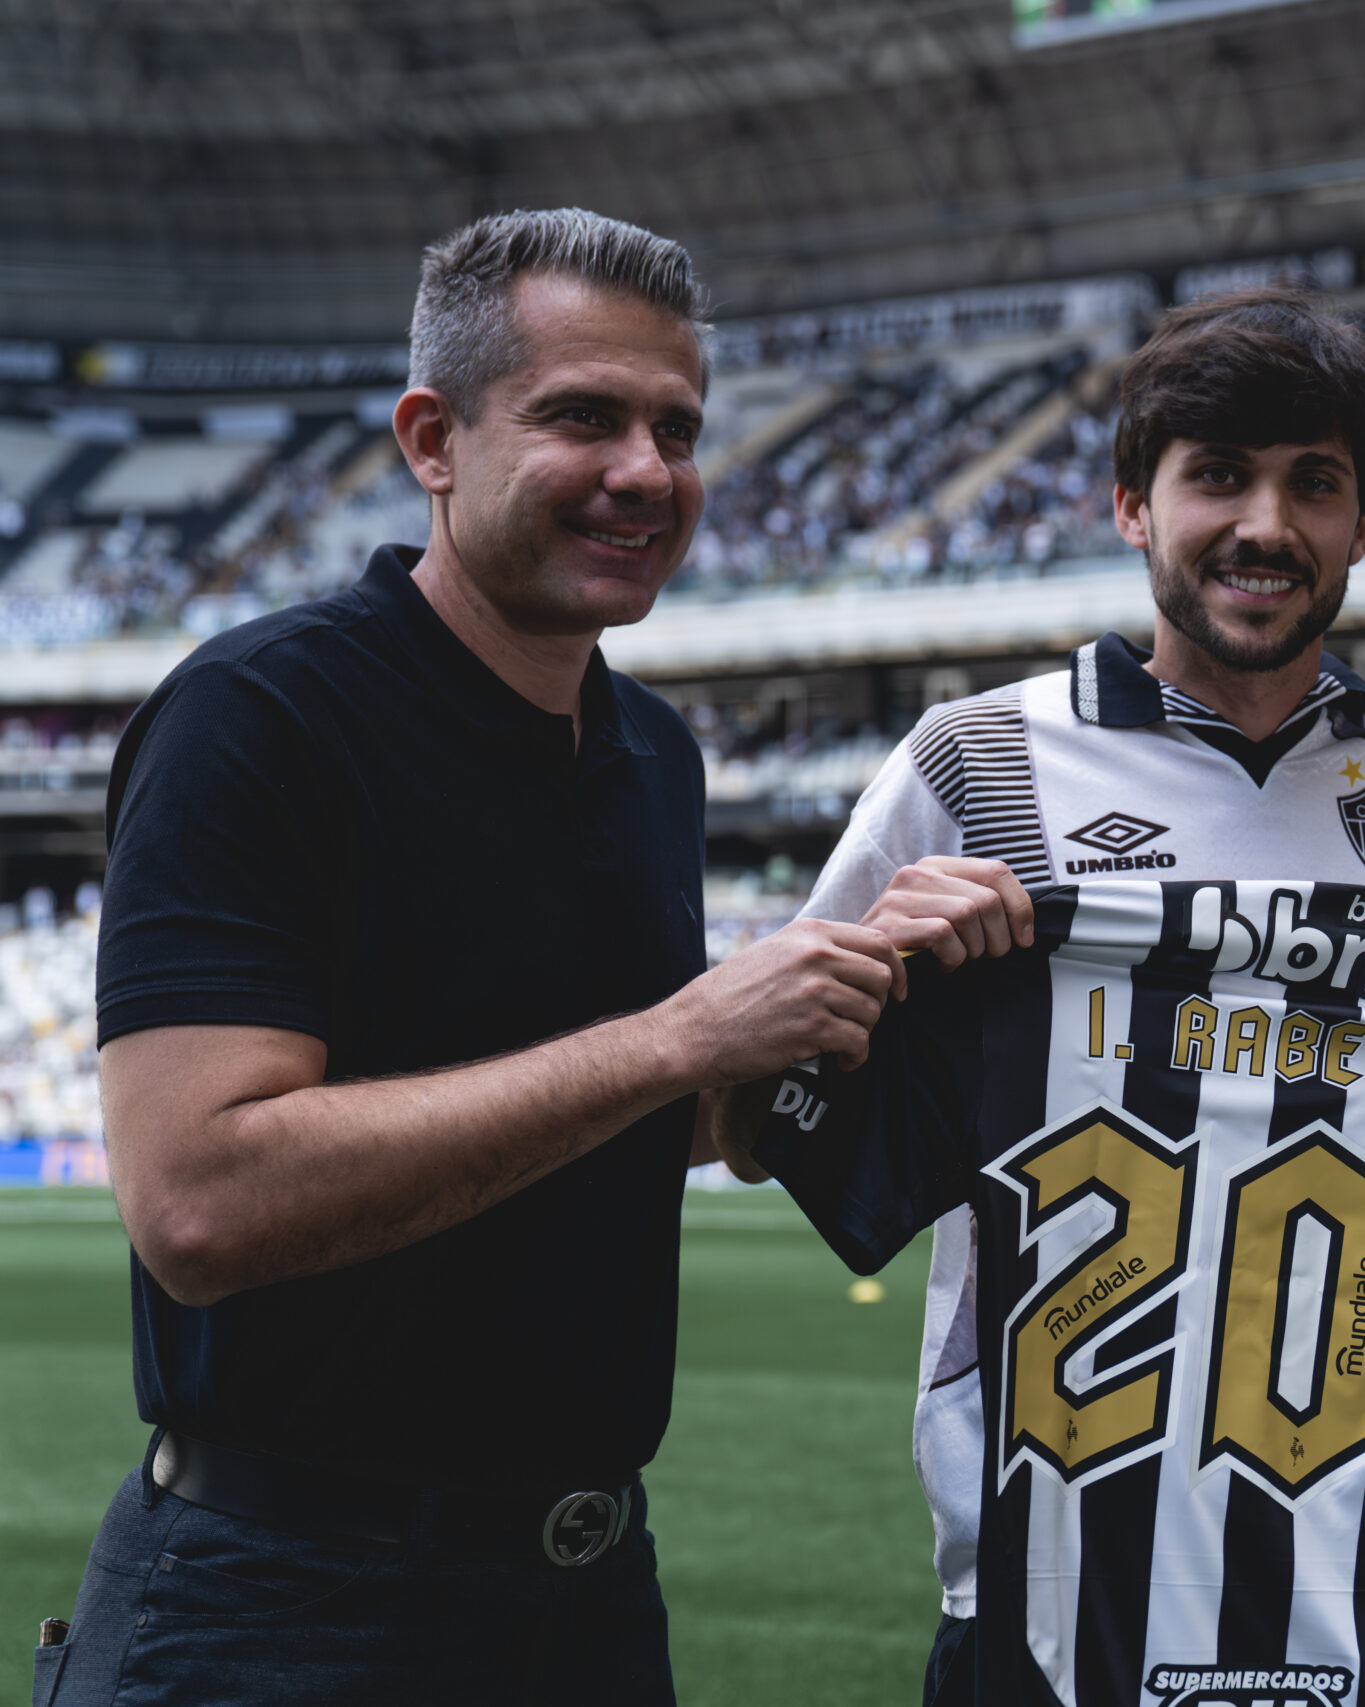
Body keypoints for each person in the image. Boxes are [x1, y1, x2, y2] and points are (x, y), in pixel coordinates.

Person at [44, 210, 905, 1707]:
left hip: (589, 1589)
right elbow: (196, 1195)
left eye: (678, 425)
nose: (649, 469)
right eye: (584, 416)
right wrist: (678, 1039)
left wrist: (828, 1026)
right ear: (432, 440)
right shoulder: (258, 717)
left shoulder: (655, 749)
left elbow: (634, 1109)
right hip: (280, 1599)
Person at [712, 285, 1365, 1705]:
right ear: (1131, 508)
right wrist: (883, 982)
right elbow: (744, 1121)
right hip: (1044, 1574)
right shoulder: (974, 768)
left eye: (1315, 484)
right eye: (1216, 475)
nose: (1266, 524)